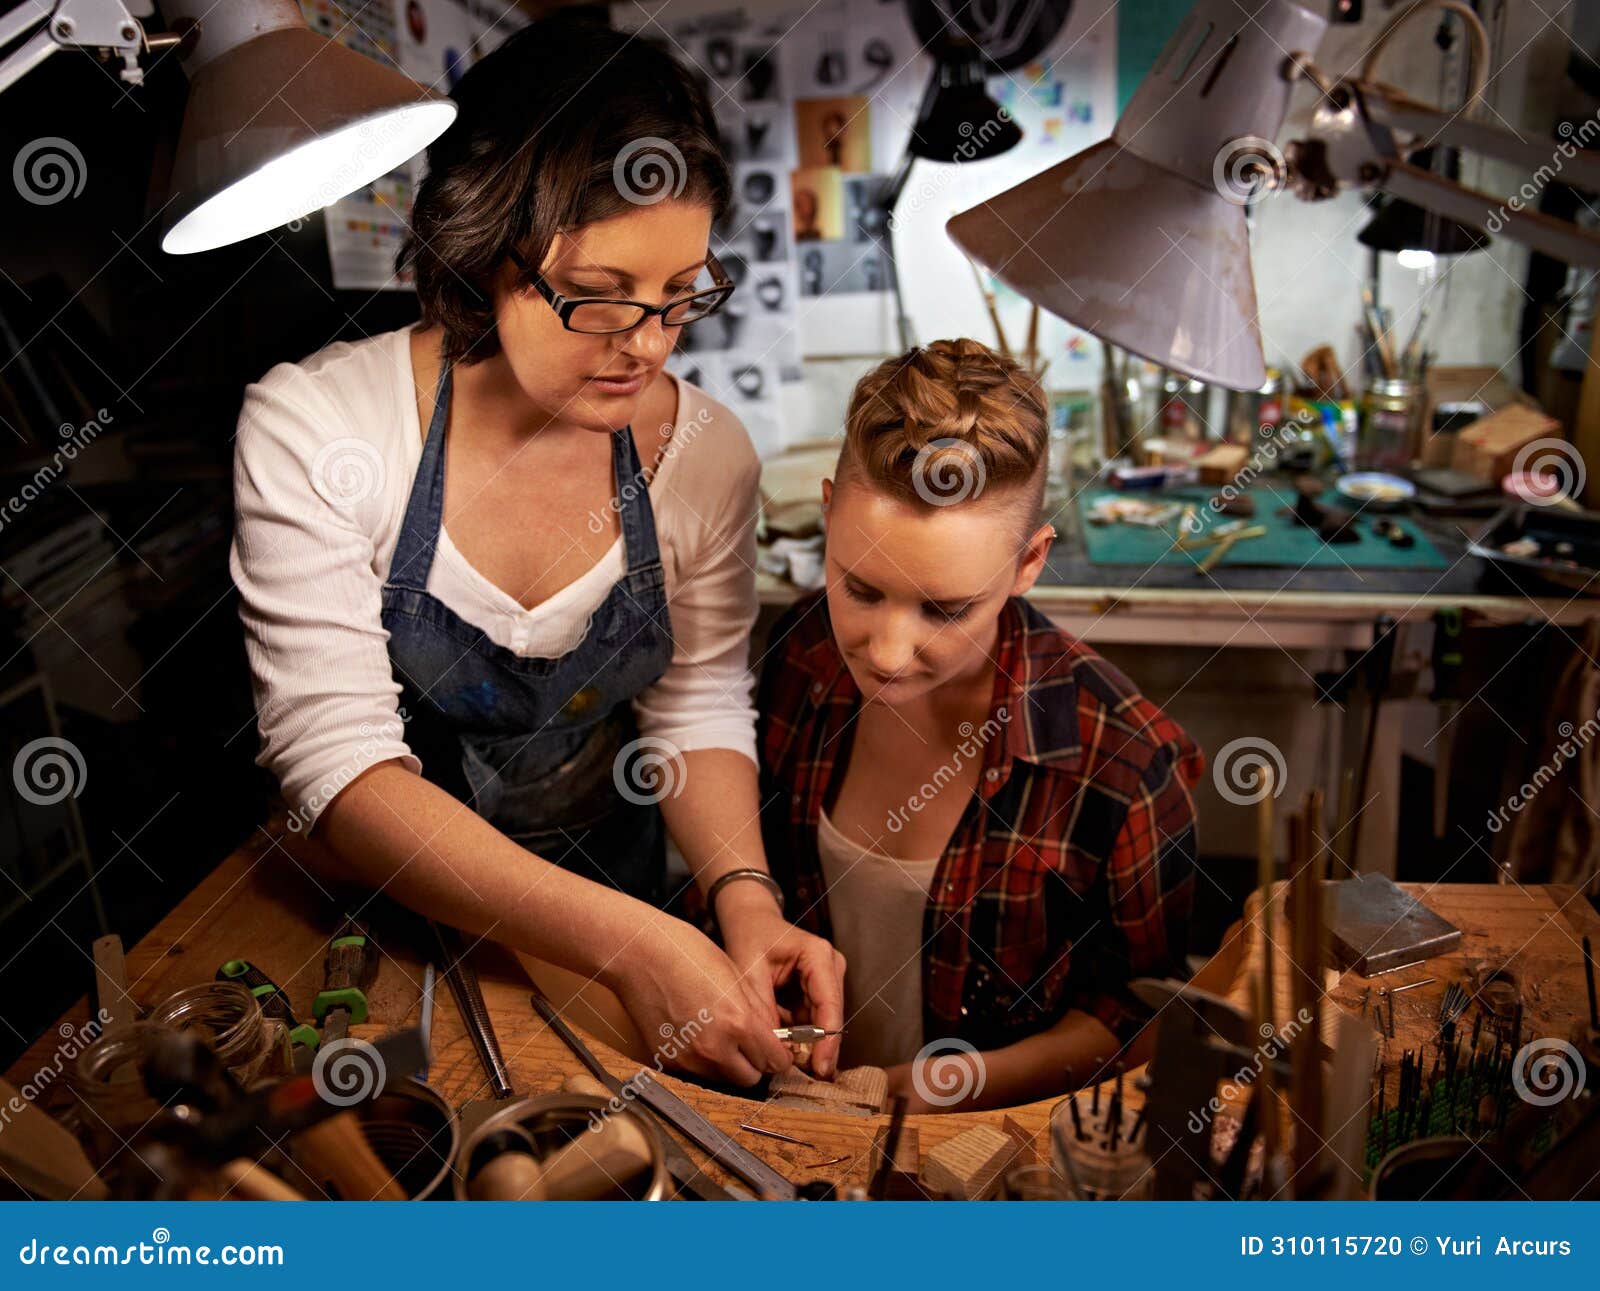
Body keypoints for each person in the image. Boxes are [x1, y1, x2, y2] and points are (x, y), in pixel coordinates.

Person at [230, 13, 843, 1084]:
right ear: (479, 249)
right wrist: (632, 942)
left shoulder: (705, 454)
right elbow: (338, 763)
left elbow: (696, 701)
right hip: (400, 917)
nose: (647, 345)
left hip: (618, 884)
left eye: (680, 295)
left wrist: (741, 893)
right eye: (601, 296)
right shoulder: (322, 429)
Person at [759, 339, 1202, 1110]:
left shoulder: (1126, 761)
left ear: (1029, 562)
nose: (888, 653)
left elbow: (1137, 1016)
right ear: (828, 514)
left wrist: (908, 1093)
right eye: (860, 588)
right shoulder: (799, 657)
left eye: (945, 608)